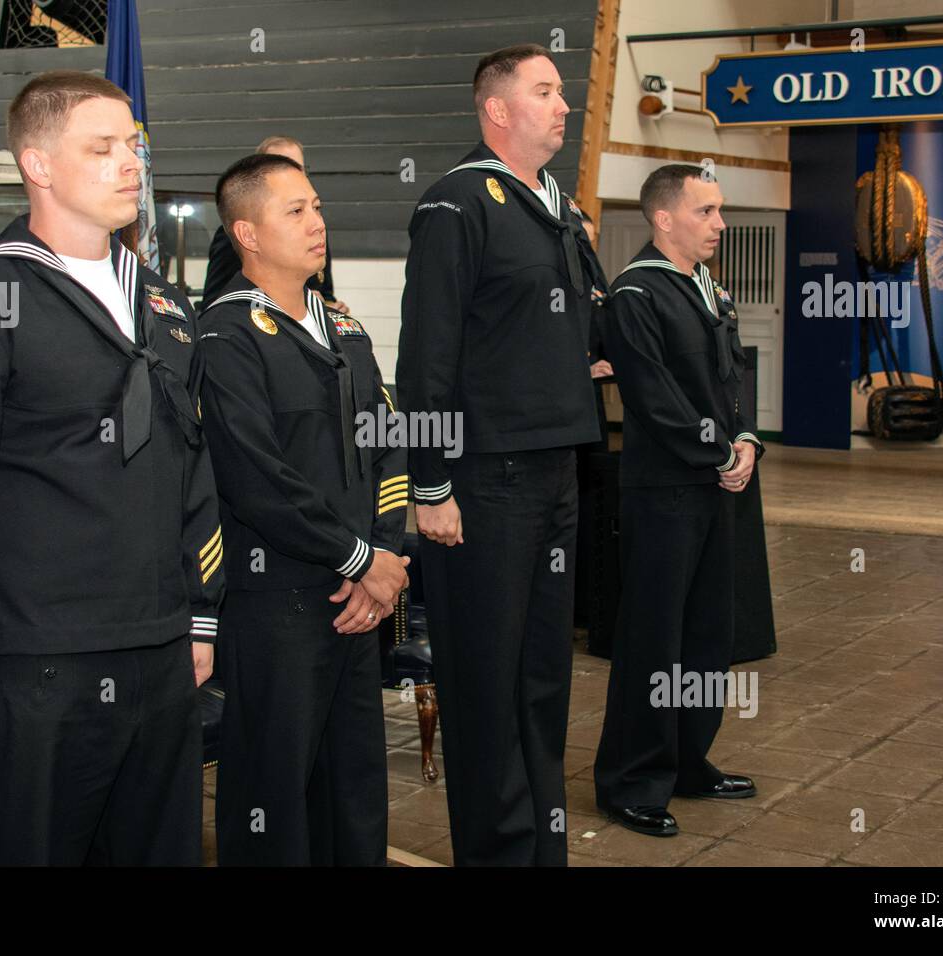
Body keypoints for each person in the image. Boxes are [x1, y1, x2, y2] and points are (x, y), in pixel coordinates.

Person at [0, 70, 223, 865]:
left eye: (133, 148)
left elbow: (194, 470)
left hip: (160, 651)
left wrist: (200, 613)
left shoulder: (166, 305)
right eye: (102, 148)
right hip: (39, 664)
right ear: (38, 165)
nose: (129, 165)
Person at [395, 44, 600, 866]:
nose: (562, 105)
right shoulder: (457, 203)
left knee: (543, 680)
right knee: (485, 686)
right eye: (544, 91)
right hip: (485, 480)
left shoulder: (556, 206)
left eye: (563, 91)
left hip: (556, 471)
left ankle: (538, 849)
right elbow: (427, 355)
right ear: (497, 109)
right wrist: (432, 484)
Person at [198, 153, 409, 865]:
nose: (318, 223)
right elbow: (257, 478)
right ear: (247, 234)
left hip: (358, 600)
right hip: (276, 601)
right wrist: (359, 560)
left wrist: (381, 560)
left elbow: (388, 446)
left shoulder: (345, 330)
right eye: (296, 211)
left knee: (353, 788)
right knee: (271, 795)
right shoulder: (225, 338)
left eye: (317, 206)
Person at [593, 164, 763, 838]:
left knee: (705, 636)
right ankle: (631, 780)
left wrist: (746, 435)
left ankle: (689, 760)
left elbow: (735, 373)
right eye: (707, 212)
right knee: (652, 640)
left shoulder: (710, 290)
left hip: (716, 485)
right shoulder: (636, 293)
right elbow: (652, 395)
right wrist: (718, 451)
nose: (720, 224)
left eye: (719, 211)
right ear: (665, 219)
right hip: (665, 490)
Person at [200, 136, 347, 313]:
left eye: (298, 167)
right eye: (279, 164)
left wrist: (328, 306)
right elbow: (215, 301)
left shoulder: (314, 226)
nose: (291, 173)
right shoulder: (235, 234)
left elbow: (324, 289)